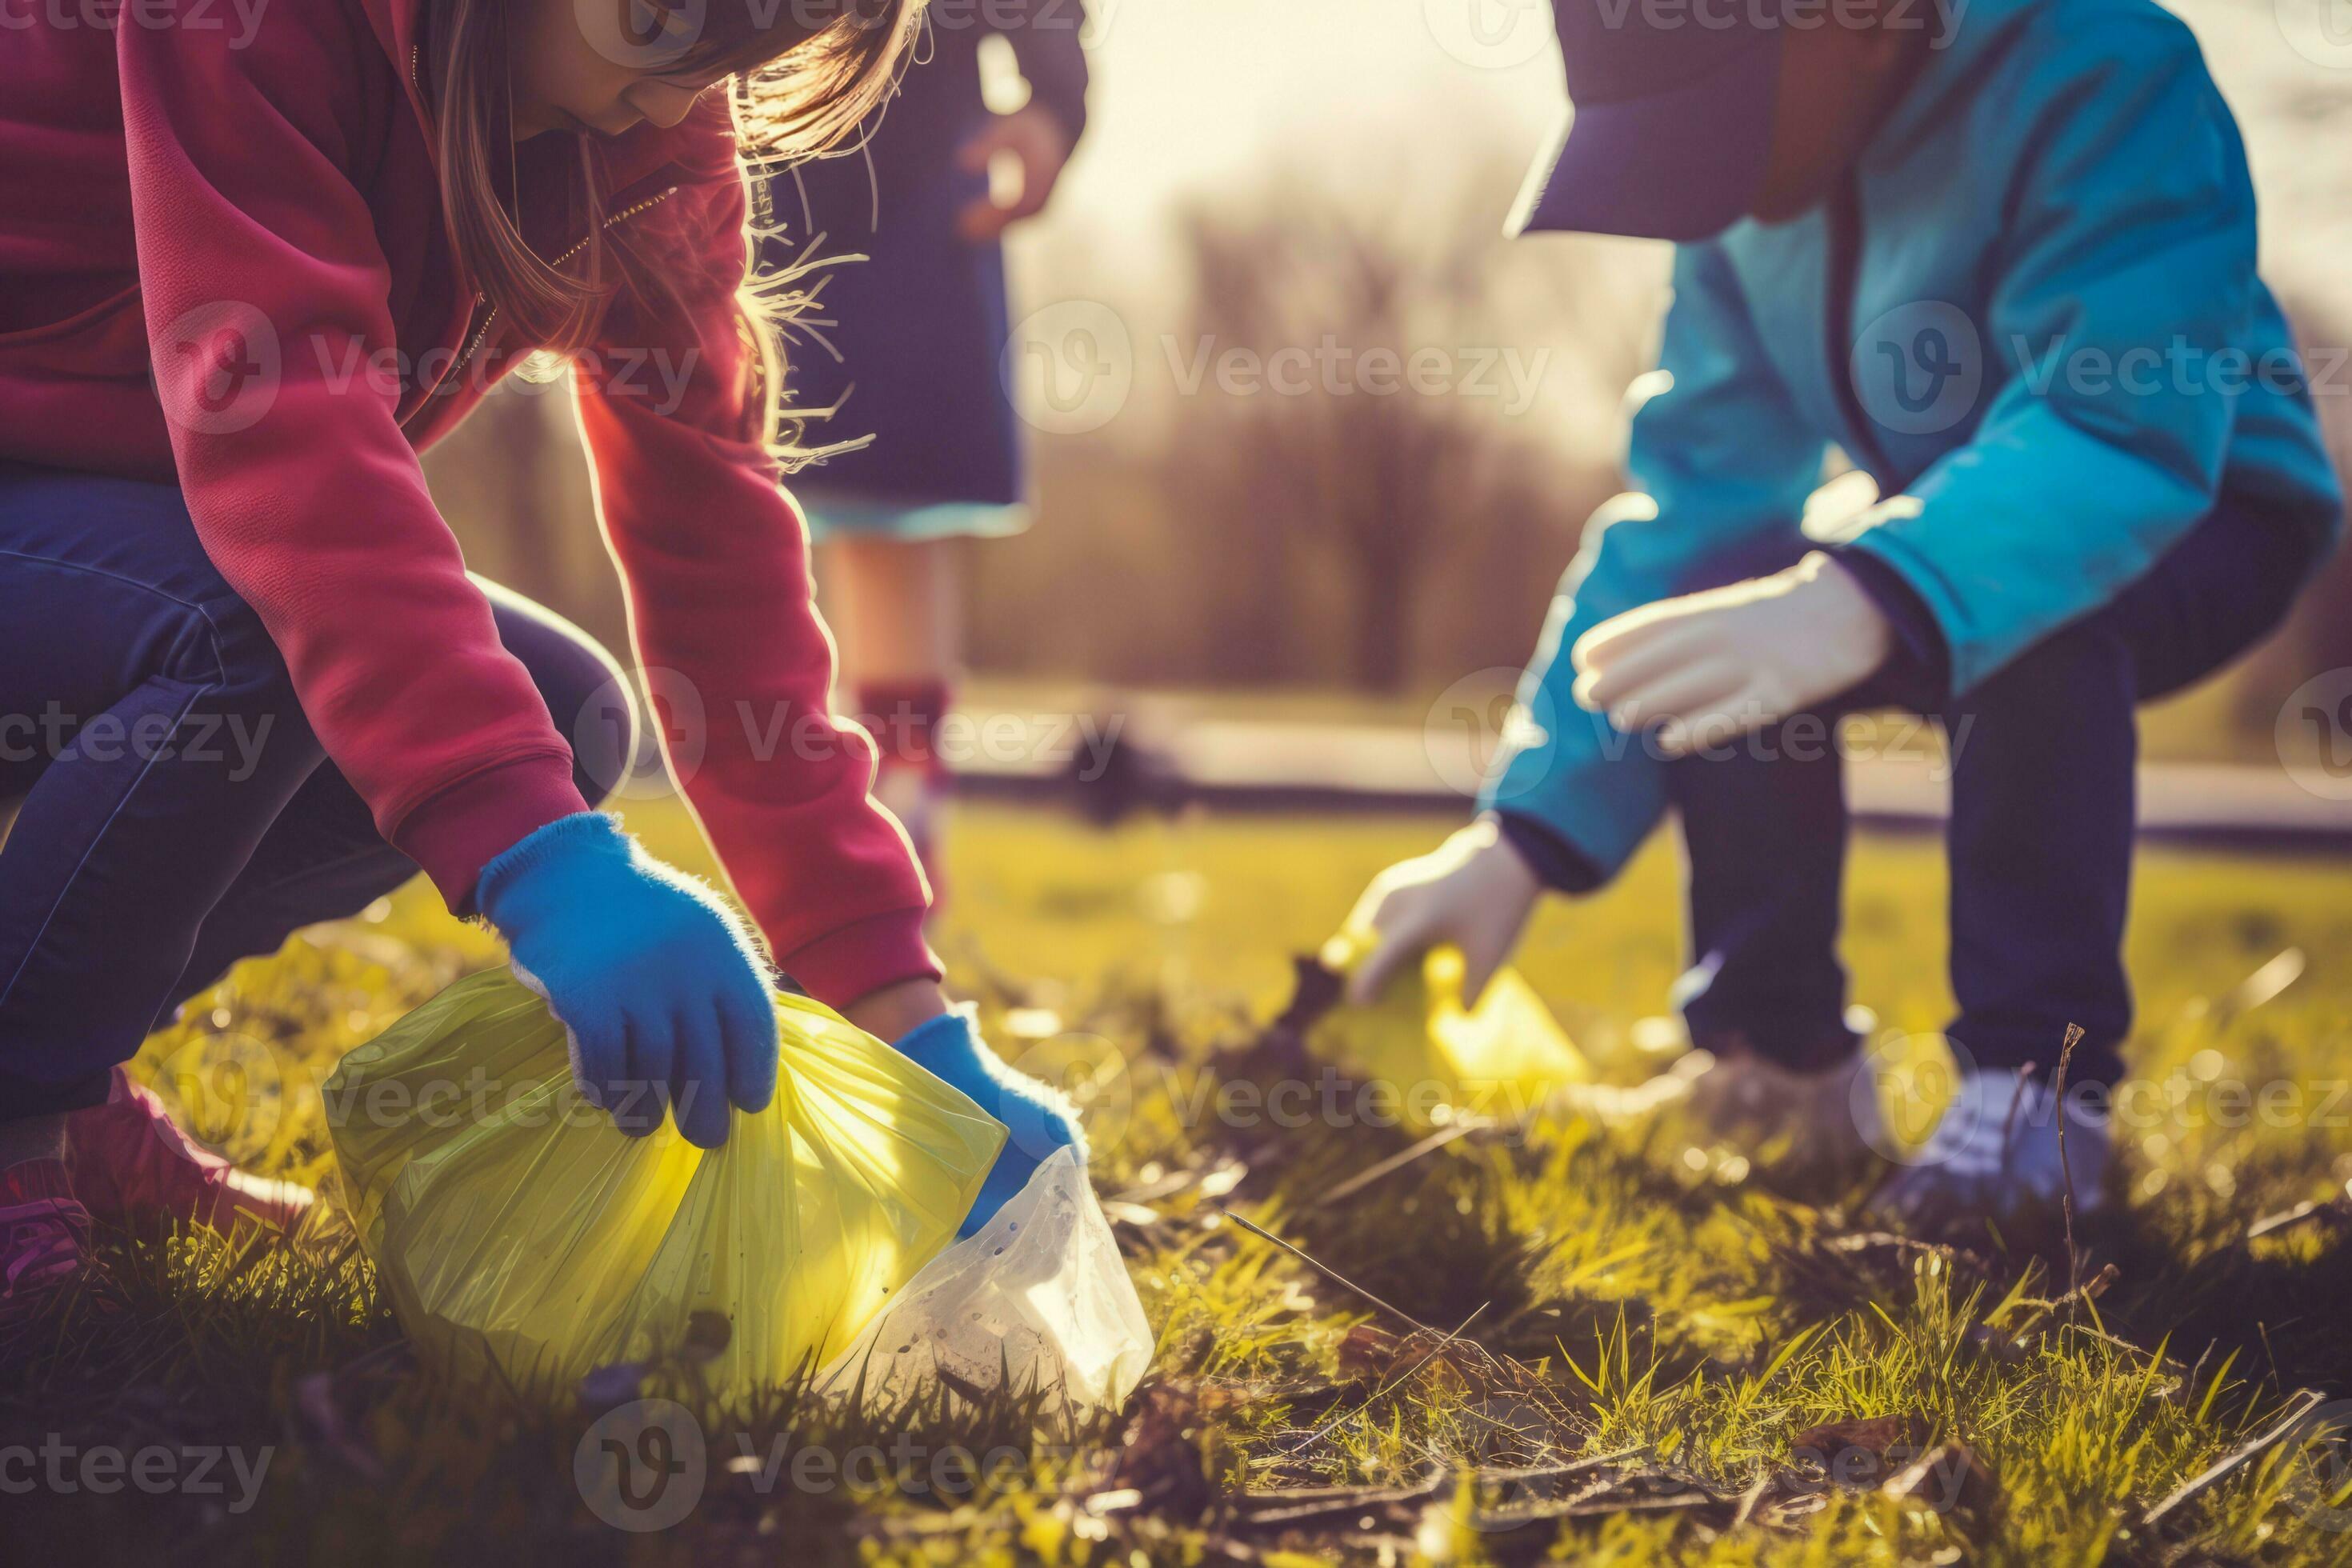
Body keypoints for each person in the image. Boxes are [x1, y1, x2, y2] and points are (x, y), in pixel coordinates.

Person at [0, 0, 1078, 1325]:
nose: (688, 98)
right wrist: (540, 860)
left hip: (96, 552)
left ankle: (59, 1066)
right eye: (668, 25)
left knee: (558, 719)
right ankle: (17, 1110)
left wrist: (905, 1014)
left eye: (738, 58)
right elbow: (292, 432)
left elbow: (716, 550)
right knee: (260, 634)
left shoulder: (650, 143)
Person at [1345, 0, 2341, 1236]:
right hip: (1930, 518)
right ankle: (1781, 1060)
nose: (1693, 171)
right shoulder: (1745, 210)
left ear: (1863, 21)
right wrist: (1521, 836)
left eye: (1711, 117)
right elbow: (1695, 508)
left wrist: (1871, 590)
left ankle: (2038, 1103)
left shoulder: (2108, 70)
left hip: (2196, 502)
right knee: (1723, 618)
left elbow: (2115, 425)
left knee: (2027, 614)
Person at [766, 0, 1090, 895]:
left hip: (915, 170)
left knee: (888, 499)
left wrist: (1057, 96)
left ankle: (896, 829)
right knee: (741, 494)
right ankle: (809, 819)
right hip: (731, 155)